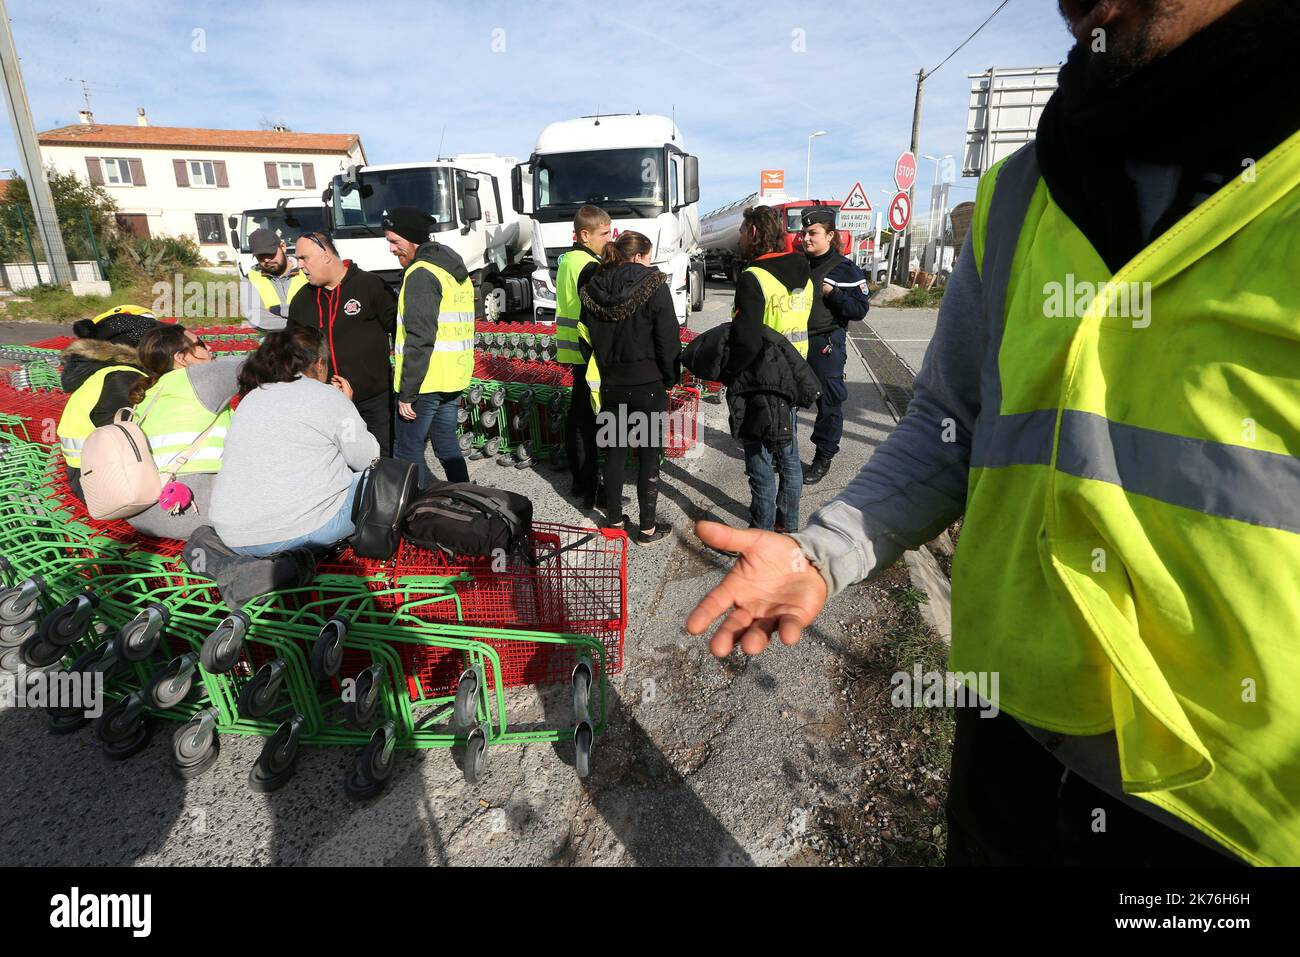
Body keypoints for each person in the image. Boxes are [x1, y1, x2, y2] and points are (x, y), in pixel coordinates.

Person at [687, 0, 1299, 867]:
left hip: (1232, 814)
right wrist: (822, 551)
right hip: (1009, 735)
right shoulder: (1024, 193)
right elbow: (950, 425)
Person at [210, 328, 379, 557]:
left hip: (233, 536)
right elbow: (369, 459)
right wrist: (346, 405)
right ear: (319, 363)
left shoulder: (253, 397)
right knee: (383, 480)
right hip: (294, 533)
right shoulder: (327, 397)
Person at [579, 230, 680, 545]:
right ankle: (647, 527)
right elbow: (668, 340)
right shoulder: (654, 285)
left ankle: (612, 520)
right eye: (648, 257)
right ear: (638, 256)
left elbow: (585, 337)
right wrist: (670, 378)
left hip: (611, 383)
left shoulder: (592, 288)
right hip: (648, 384)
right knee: (649, 457)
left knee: (614, 454)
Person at [726, 204, 812, 533]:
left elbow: (745, 339)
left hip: (761, 376)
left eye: (742, 231)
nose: (739, 237)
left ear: (754, 233)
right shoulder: (802, 267)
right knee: (788, 451)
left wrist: (731, 372)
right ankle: (787, 523)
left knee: (759, 455)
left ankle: (760, 530)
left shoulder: (753, 277)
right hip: (794, 370)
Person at [383, 206, 474, 488]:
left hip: (425, 382)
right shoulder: (452, 268)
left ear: (412, 240)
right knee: (447, 447)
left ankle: (427, 509)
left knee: (407, 452)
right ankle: (467, 500)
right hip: (452, 378)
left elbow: (419, 337)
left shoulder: (420, 274)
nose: (391, 249)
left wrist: (407, 392)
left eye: (395, 242)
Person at [125, 324, 241, 540]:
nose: (209, 347)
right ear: (181, 357)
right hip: (192, 510)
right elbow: (265, 364)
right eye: (200, 344)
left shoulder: (149, 393)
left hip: (145, 516)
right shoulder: (202, 377)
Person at [286, 230, 397, 455]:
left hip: (374, 401)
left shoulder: (370, 285)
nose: (298, 265)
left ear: (326, 254)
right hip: (326, 403)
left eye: (303, 258)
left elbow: (400, 332)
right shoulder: (301, 300)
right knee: (339, 464)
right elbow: (292, 352)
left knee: (381, 462)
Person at [56, 305, 161, 500]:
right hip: (107, 485)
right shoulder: (122, 378)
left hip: (90, 475)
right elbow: (138, 442)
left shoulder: (103, 372)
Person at [799, 207, 870, 486]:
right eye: (804, 233)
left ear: (830, 235)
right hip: (796, 341)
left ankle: (823, 457)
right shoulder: (797, 264)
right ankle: (784, 453)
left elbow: (859, 309)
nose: (806, 238)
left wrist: (834, 293)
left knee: (828, 403)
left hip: (825, 344)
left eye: (812, 233)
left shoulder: (845, 268)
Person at [555, 204, 611, 507]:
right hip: (585, 350)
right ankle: (591, 485)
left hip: (572, 348)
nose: (609, 238)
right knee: (588, 422)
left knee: (577, 418)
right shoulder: (588, 265)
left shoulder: (568, 259)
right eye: (604, 233)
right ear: (585, 234)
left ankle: (580, 479)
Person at [241, 229, 307, 332]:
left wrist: (274, 310)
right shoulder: (249, 280)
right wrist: (299, 325)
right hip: (274, 345)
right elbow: (257, 318)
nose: (267, 260)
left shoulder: (307, 270)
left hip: (310, 343)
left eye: (270, 253)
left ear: (283, 247)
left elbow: (317, 309)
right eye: (261, 256)